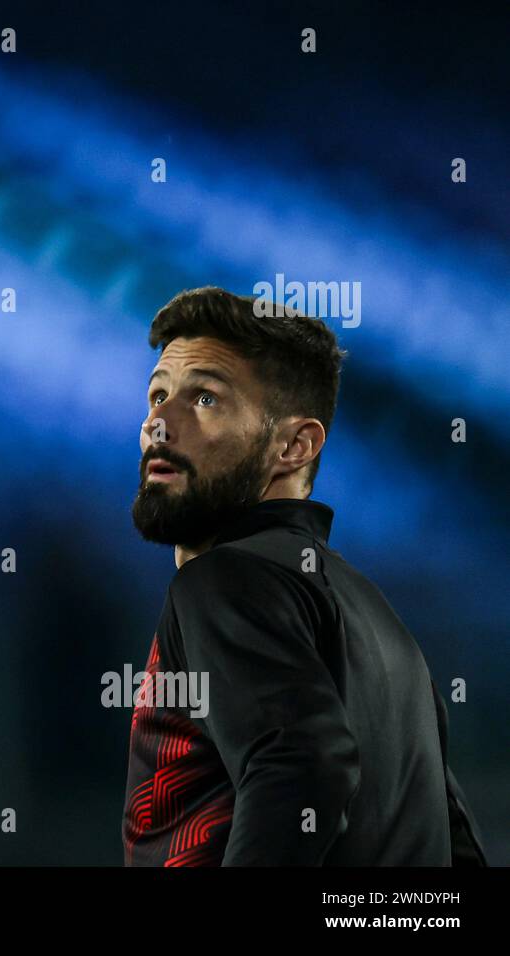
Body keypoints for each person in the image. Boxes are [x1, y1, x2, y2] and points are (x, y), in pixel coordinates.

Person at [123, 286, 486, 866]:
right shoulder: (375, 615)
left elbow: (301, 763)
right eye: (157, 395)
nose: (158, 425)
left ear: (295, 445)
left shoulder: (224, 580)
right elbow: (453, 839)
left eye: (206, 399)